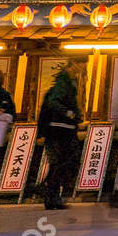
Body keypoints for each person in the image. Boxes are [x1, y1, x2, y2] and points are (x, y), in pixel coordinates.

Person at [38, 61, 83, 211]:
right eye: (81, 64)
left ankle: (51, 194)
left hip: (64, 128)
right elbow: (53, 102)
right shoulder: (62, 84)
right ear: (72, 65)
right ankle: (49, 191)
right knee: (65, 161)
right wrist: (69, 113)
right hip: (59, 129)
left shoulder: (69, 82)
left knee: (61, 162)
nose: (82, 68)